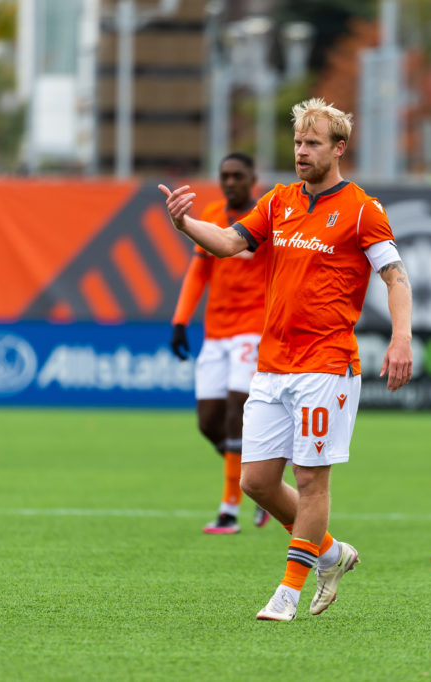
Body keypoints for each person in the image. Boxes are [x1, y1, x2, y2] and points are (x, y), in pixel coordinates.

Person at [160, 98, 413, 621]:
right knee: (255, 481)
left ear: (338, 148)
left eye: (312, 143)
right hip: (274, 363)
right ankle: (330, 553)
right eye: (298, 142)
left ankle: (289, 589)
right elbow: (230, 242)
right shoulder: (278, 201)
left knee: (310, 479)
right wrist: (186, 225)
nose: (301, 151)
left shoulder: (363, 208)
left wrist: (401, 337)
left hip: (327, 361)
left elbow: (395, 277)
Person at [169, 152, 271, 535]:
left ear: (252, 179)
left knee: (235, 413)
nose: (230, 182)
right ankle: (265, 485)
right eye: (224, 175)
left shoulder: (265, 217)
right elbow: (199, 272)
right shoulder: (210, 213)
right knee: (208, 422)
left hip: (253, 328)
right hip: (216, 332)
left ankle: (229, 510)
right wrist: (180, 321)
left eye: (237, 175)